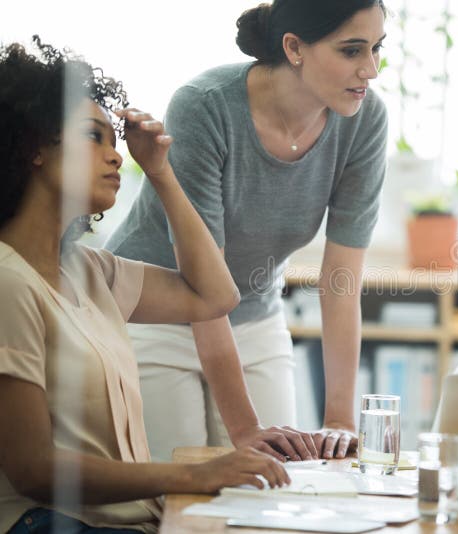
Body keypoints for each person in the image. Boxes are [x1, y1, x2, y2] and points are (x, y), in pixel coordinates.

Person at [0, 38, 291, 534]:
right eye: (93, 137)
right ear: (34, 148)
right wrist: (195, 475)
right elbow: (35, 470)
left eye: (114, 142)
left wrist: (160, 172)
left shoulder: (91, 272)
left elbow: (215, 297)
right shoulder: (9, 282)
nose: (115, 157)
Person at [105, 0, 388, 462]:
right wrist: (244, 429)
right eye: (352, 50)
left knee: (278, 481)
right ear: (294, 48)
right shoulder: (205, 106)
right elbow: (201, 280)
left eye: (377, 48)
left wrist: (339, 419)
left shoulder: (364, 119)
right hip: (155, 313)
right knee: (179, 486)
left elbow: (341, 281)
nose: (371, 70)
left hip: (254, 316)